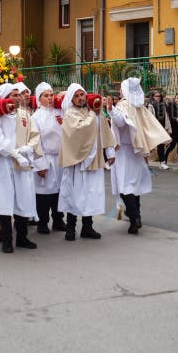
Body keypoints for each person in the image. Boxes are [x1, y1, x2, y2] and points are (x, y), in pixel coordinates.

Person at [0, 84, 42, 253]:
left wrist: (28, 148)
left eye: (18, 94)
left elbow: (35, 135)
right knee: (5, 201)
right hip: (6, 164)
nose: (17, 97)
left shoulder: (25, 115)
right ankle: (7, 239)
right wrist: (16, 154)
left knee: (24, 198)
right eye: (13, 95)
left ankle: (22, 237)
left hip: (23, 164)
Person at [108, 78, 171, 235]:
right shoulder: (140, 107)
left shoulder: (123, 104)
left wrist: (110, 109)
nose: (120, 92)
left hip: (124, 151)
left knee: (125, 186)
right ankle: (135, 215)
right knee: (133, 184)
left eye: (121, 89)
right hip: (137, 150)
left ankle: (134, 216)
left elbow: (121, 122)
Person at [58, 84, 117, 241]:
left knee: (90, 194)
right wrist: (93, 115)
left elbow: (104, 132)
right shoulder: (71, 113)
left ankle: (87, 227)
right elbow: (80, 130)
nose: (81, 98)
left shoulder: (94, 111)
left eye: (82, 94)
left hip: (94, 160)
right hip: (77, 162)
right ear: (71, 99)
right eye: (77, 96)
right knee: (74, 194)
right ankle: (70, 228)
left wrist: (110, 152)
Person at [31, 82, 66, 234]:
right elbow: (35, 142)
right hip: (46, 158)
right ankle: (43, 222)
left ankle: (58, 220)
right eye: (46, 95)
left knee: (59, 191)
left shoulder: (60, 112)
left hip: (60, 158)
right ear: (39, 98)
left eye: (51, 95)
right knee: (44, 194)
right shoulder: (36, 117)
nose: (50, 98)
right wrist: (40, 164)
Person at [147, 91, 170, 169]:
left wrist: (167, 127)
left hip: (161, 127)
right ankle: (144, 161)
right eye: (156, 96)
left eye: (159, 96)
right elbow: (149, 117)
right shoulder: (150, 105)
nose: (158, 98)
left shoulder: (164, 105)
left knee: (161, 145)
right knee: (149, 145)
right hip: (153, 128)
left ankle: (162, 162)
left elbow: (166, 116)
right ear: (153, 97)